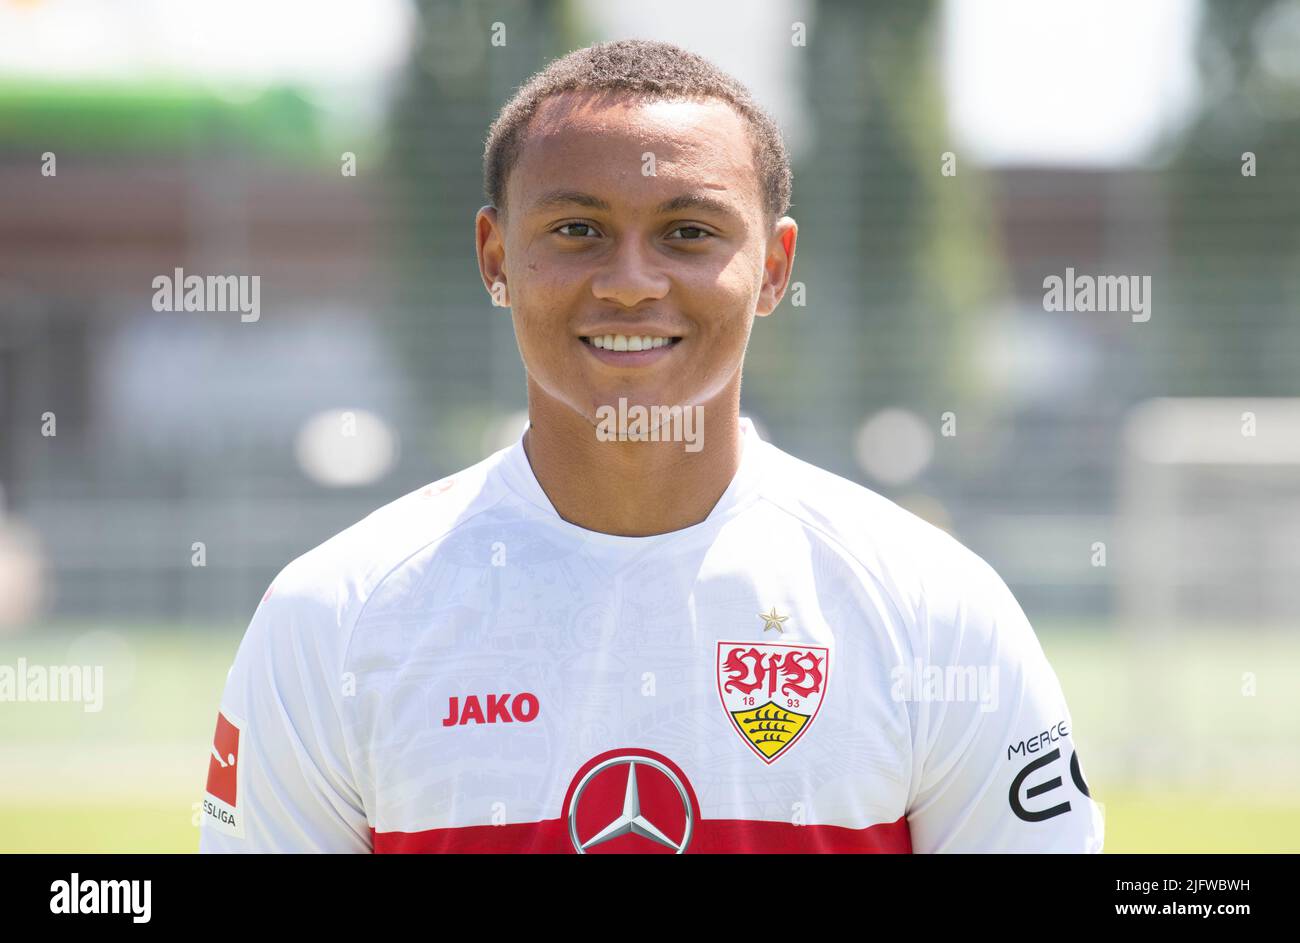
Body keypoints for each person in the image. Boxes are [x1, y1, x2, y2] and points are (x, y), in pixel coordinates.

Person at [200, 39, 1103, 854]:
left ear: (774, 269)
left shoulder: (933, 607)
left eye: (689, 232)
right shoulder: (334, 615)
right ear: (495, 257)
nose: (631, 283)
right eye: (577, 230)